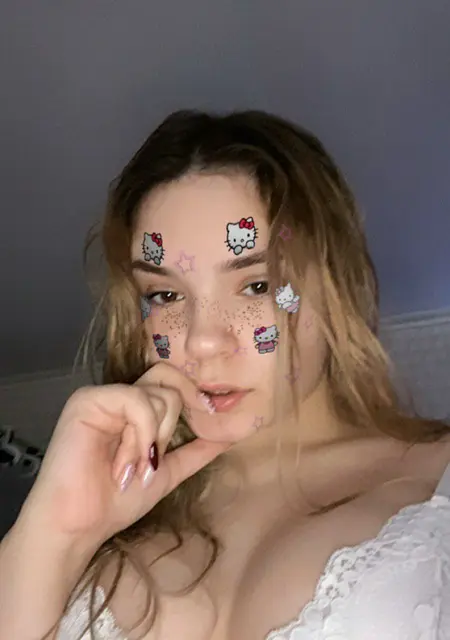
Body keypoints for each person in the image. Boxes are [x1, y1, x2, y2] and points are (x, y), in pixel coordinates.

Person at [1, 109, 449, 640]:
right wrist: (56, 532)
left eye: (257, 285)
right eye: (165, 295)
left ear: (335, 286)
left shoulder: (435, 479)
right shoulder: (103, 527)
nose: (201, 341)